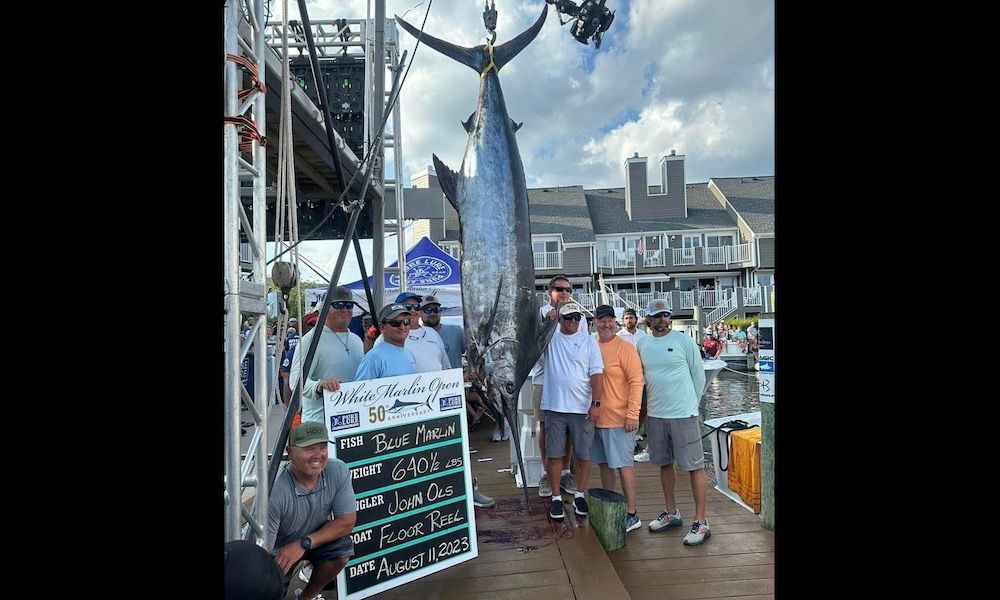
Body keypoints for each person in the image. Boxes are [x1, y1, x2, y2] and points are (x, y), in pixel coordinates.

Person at [636, 299, 710, 545]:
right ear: (648, 319)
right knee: (664, 464)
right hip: (656, 415)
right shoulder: (642, 343)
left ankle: (701, 521)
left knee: (694, 467)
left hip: (684, 415)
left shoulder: (683, 341)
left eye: (666, 315)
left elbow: (698, 376)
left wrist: (691, 406)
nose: (662, 319)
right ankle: (672, 512)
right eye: (657, 315)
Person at [266, 421, 357, 600]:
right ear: (289, 451)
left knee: (342, 549)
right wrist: (280, 561)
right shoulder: (275, 490)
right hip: (277, 551)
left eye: (322, 447)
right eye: (309, 448)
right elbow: (262, 550)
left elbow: (347, 522)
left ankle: (307, 597)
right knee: (267, 587)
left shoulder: (337, 470)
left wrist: (303, 543)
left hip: (310, 539)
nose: (317, 455)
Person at [536, 301, 604, 520]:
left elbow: (597, 375)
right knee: (554, 455)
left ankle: (580, 495)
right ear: (560, 321)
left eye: (577, 318)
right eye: (568, 318)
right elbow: (533, 335)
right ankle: (556, 498)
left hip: (582, 409)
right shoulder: (550, 337)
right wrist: (547, 321)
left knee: (583, 455)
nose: (573, 322)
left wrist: (595, 404)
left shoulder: (588, 341)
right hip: (554, 407)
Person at [592, 304, 644, 533]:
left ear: (615, 322)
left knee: (624, 465)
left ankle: (632, 514)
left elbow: (637, 382)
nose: (606, 324)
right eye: (601, 320)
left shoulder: (625, 348)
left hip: (620, 418)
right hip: (595, 418)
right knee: (604, 465)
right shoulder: (590, 344)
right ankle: (612, 507)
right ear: (594, 322)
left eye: (609, 320)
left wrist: (633, 414)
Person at [290, 287, 365, 425]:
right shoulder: (310, 340)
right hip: (320, 425)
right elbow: (295, 381)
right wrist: (319, 386)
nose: (345, 310)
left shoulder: (357, 340)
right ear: (324, 309)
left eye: (349, 305)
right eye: (338, 305)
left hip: (354, 420)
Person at [533, 275, 576, 497]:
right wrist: (548, 322)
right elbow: (533, 345)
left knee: (567, 427)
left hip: (569, 382)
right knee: (545, 426)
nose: (564, 292)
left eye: (567, 289)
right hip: (543, 379)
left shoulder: (577, 316)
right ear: (549, 292)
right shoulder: (538, 314)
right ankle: (546, 472)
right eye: (559, 289)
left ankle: (566, 471)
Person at [374, 292, 451, 374]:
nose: (413, 311)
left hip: (436, 385)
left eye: (417, 307)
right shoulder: (385, 338)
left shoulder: (432, 333)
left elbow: (446, 367)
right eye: (408, 307)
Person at [616, 307, 650, 461]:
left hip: (642, 379)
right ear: (623, 321)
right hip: (625, 380)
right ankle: (626, 438)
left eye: (631, 318)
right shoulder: (618, 337)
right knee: (626, 409)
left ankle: (636, 434)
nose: (629, 321)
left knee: (643, 408)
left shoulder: (644, 336)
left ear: (636, 319)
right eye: (626, 318)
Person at [355, 303, 418, 380]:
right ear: (382, 327)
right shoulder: (373, 359)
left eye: (406, 322)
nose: (402, 327)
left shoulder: (410, 355)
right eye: (395, 323)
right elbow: (361, 390)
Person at [421, 294, 466, 371]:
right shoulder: (414, 336)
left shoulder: (457, 331)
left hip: (454, 382)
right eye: (427, 310)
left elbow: (474, 353)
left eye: (436, 309)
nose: (432, 313)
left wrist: (468, 371)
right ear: (420, 313)